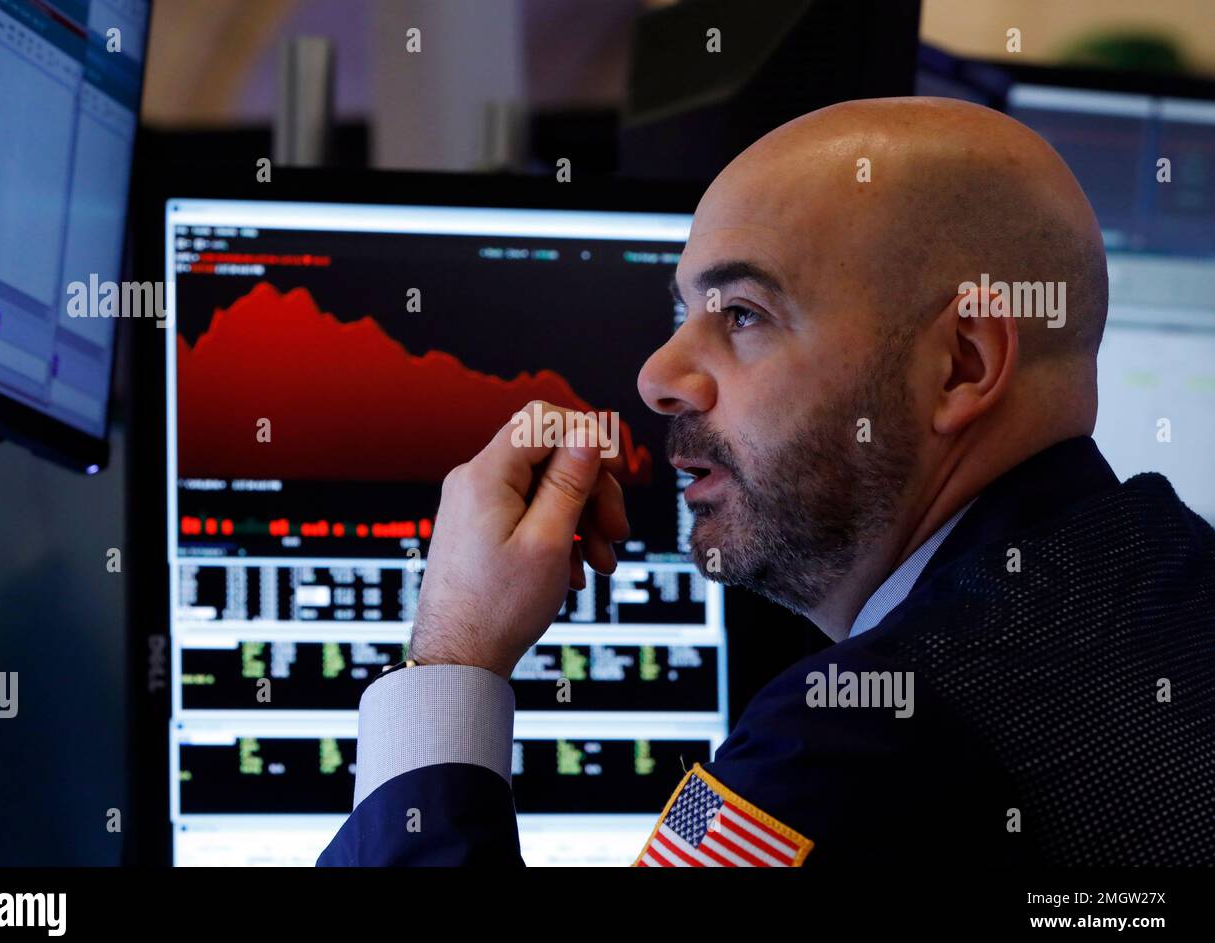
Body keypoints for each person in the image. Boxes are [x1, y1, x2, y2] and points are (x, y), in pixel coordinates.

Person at [318, 97, 1215, 867]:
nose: (658, 374)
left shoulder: (855, 746)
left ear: (961, 365)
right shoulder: (1174, 577)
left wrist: (454, 658)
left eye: (742, 314)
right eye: (682, 313)